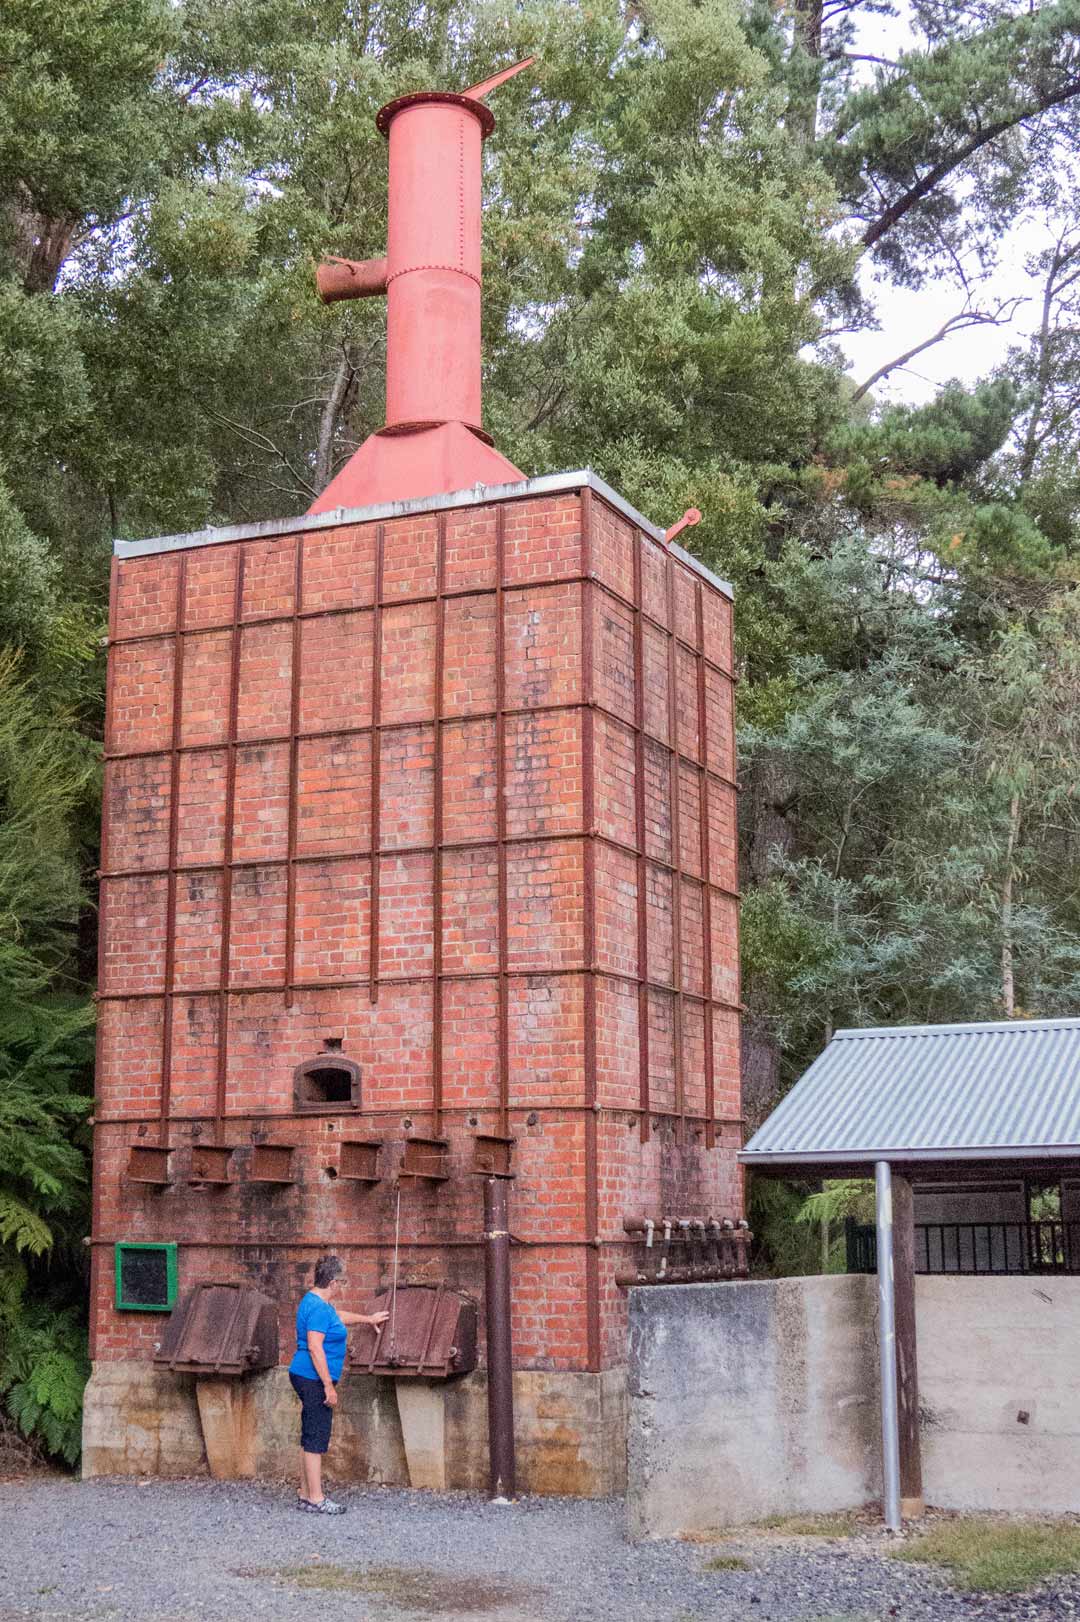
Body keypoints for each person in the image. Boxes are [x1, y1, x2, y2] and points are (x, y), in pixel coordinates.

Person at [288, 1254, 388, 1514]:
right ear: (332, 1282)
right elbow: (314, 1347)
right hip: (312, 1377)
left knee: (310, 1433)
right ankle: (316, 1499)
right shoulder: (319, 1308)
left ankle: (305, 1492)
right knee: (315, 1438)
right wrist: (328, 1387)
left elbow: (338, 1317)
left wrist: (368, 1319)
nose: (342, 1286)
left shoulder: (314, 1301)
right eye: (341, 1282)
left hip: (305, 1374)